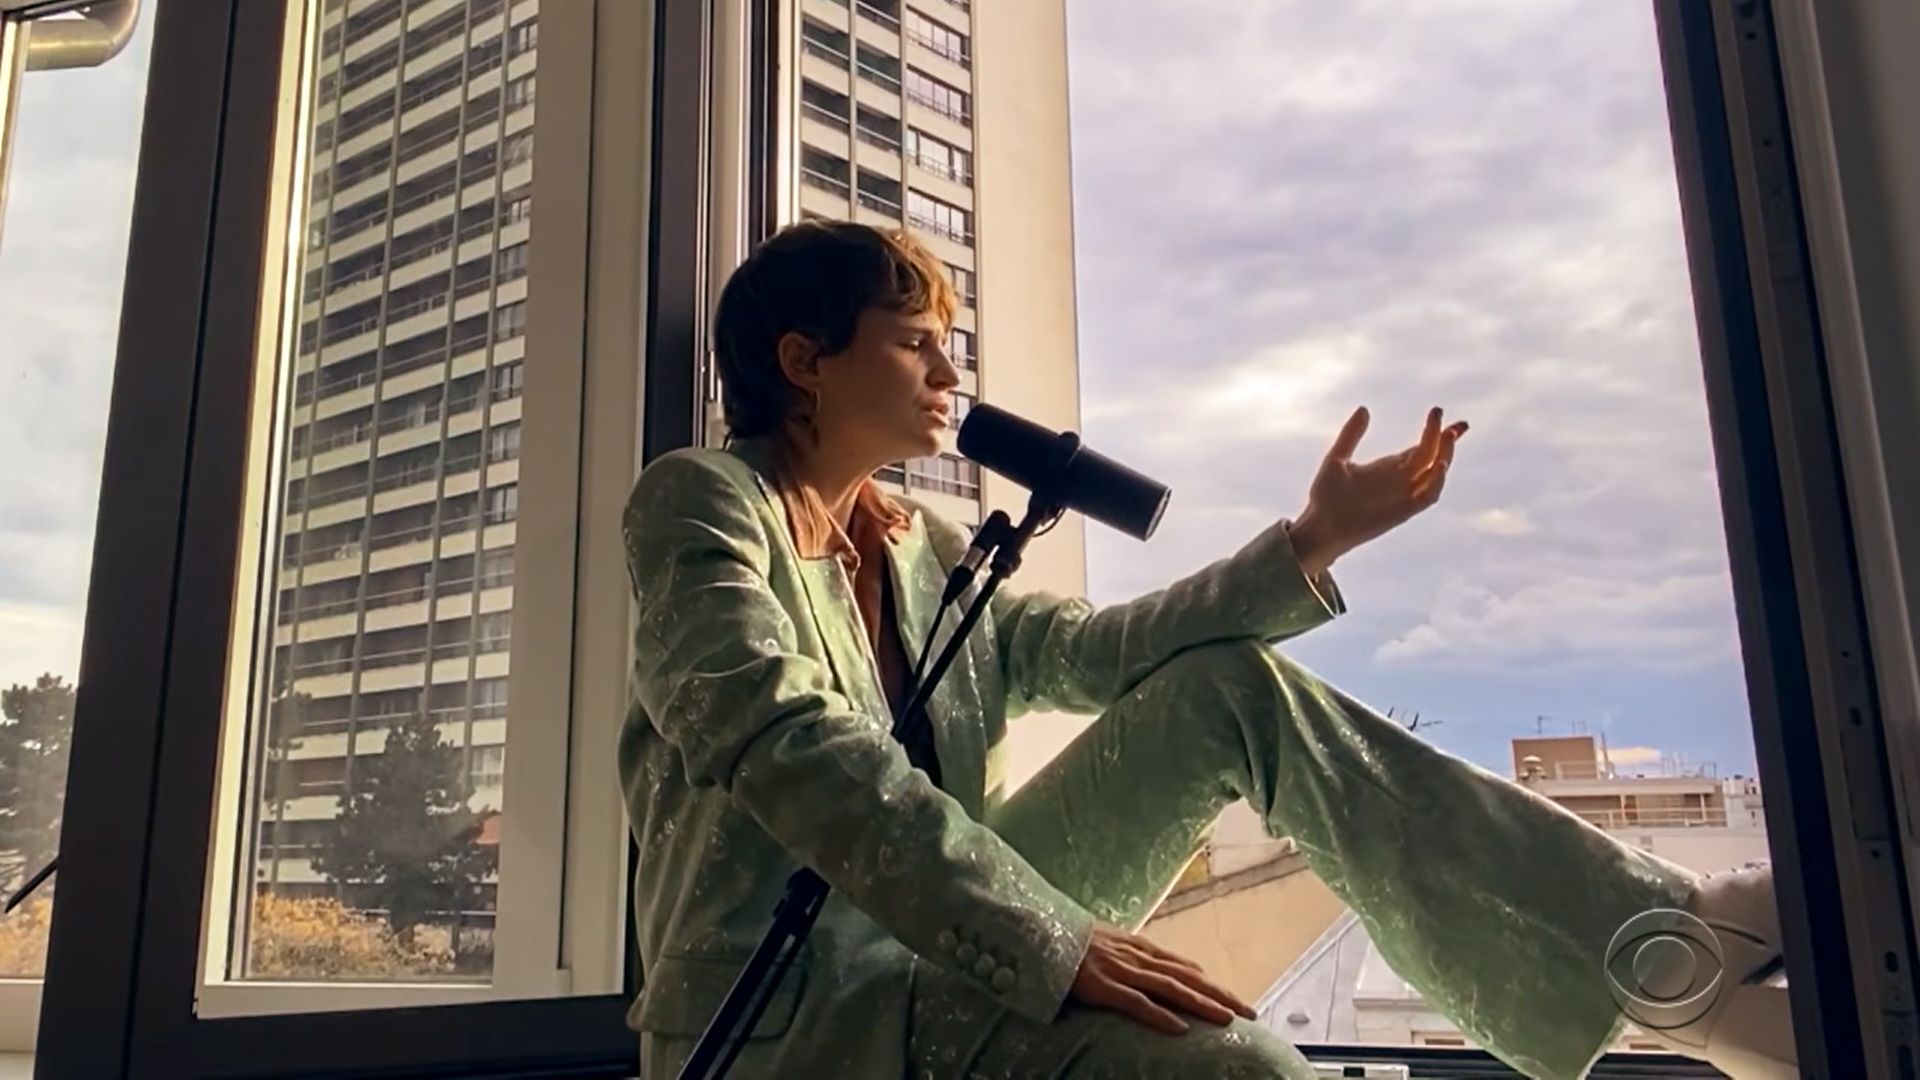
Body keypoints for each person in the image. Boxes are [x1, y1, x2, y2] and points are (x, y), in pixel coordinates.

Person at [618, 221, 1797, 1079]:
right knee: (1252, 1074)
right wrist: (1051, 941)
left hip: (951, 943)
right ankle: (1671, 965)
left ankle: (1673, 964)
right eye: (917, 342)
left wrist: (1313, 539)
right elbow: (784, 739)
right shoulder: (700, 503)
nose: (950, 373)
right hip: (793, 1014)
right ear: (803, 360)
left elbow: (1095, 658)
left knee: (1230, 688)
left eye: (951, 345)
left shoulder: (922, 547)